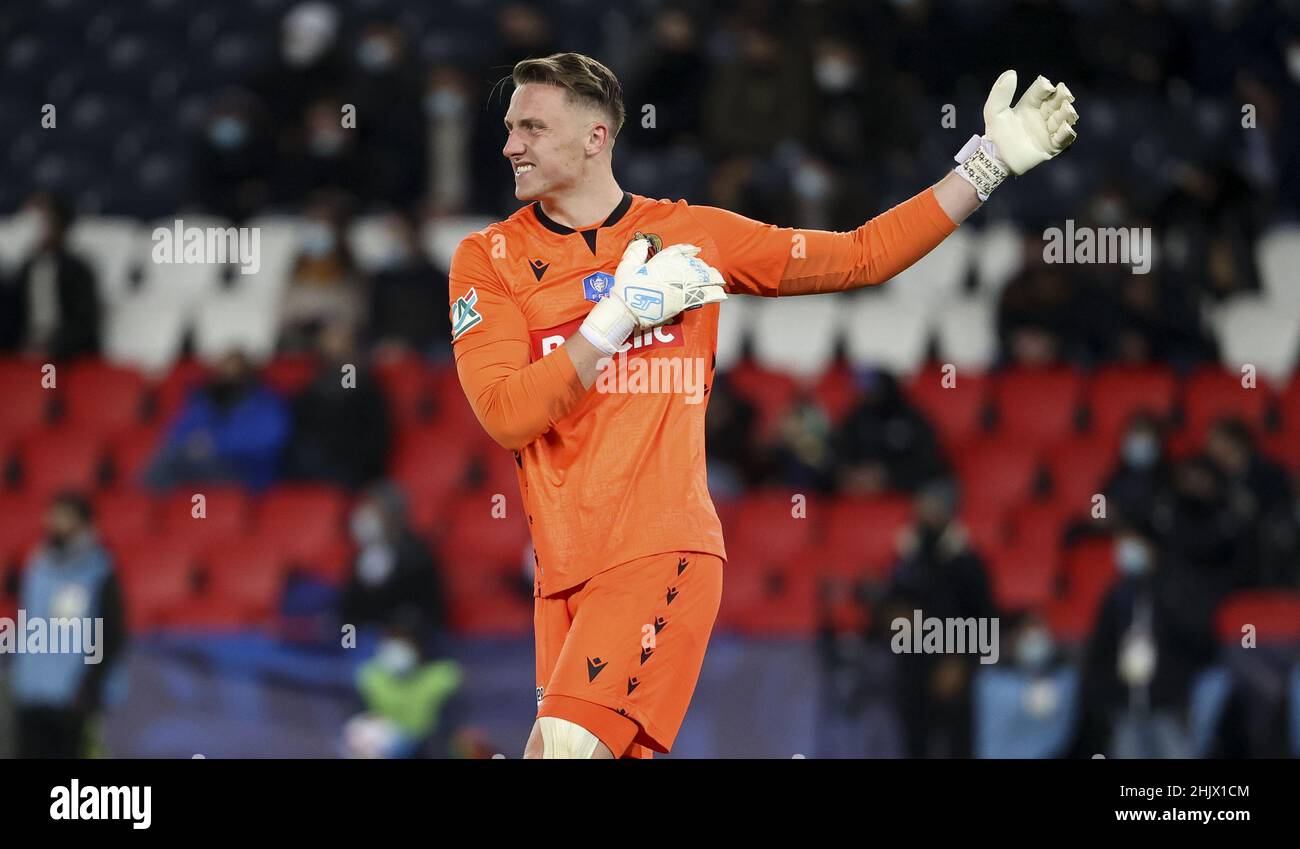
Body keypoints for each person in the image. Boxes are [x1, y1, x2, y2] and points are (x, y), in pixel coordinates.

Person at [448, 53, 1077, 758]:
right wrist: (616, 317)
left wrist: (986, 164)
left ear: (595, 138)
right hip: (560, 576)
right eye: (509, 128)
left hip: (660, 550)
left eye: (531, 127)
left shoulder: (694, 237)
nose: (510, 145)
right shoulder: (487, 259)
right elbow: (506, 414)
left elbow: (859, 255)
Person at [1073, 513, 1217, 758]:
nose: (1124, 548)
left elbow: (1201, 640)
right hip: (1126, 706)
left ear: (1151, 546)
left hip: (1170, 706)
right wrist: (1104, 697)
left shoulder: (1179, 587)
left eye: (1131, 540)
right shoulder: (1118, 593)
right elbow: (1101, 649)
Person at [11, 493, 126, 758]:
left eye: (63, 516)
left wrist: (91, 686)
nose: (53, 522)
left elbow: (111, 634)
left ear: (83, 523)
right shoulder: (36, 566)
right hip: (32, 691)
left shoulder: (101, 571)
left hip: (75, 695)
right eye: (52, 515)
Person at [144, 350, 290, 492]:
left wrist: (214, 444)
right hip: (199, 462)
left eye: (235, 369)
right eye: (224, 368)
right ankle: (145, 505)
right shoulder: (203, 398)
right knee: (170, 455)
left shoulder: (266, 401)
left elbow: (268, 437)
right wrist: (193, 444)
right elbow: (178, 430)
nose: (229, 374)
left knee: (181, 458)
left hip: (244, 471)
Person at [284, 320, 390, 490]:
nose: (325, 343)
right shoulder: (322, 373)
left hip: (345, 464)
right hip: (314, 460)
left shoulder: (351, 371)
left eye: (334, 338)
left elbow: (345, 401)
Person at [337, 482, 446, 638]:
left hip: (407, 640)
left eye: (375, 512)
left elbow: (424, 613)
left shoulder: (417, 556)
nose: (365, 518)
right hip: (364, 639)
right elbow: (350, 612)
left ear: (394, 517)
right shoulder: (360, 556)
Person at [0, 192, 101, 360]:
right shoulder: (24, 270)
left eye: (42, 220)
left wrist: (53, 345)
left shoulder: (79, 270)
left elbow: (84, 324)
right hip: (24, 359)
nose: (33, 226)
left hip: (69, 360)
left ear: (59, 225)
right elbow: (10, 319)